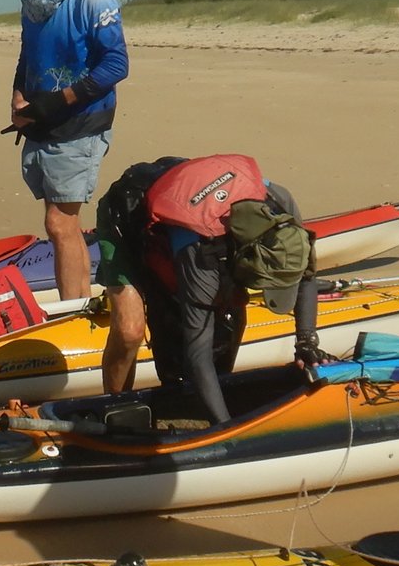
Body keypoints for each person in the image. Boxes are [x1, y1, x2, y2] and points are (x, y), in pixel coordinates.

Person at [91, 154, 320, 428]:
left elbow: (306, 276)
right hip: (129, 215)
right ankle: (115, 410)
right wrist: (226, 430)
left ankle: (210, 398)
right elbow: (197, 352)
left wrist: (306, 341)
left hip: (192, 189)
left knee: (230, 315)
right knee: (131, 329)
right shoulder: (200, 254)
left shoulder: (282, 207)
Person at [2, 0, 128, 304]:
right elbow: (29, 52)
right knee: (58, 222)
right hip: (44, 123)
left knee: (60, 222)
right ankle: (72, 298)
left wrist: (59, 101)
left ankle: (76, 308)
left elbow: (116, 65)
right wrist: (18, 95)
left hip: (81, 122)